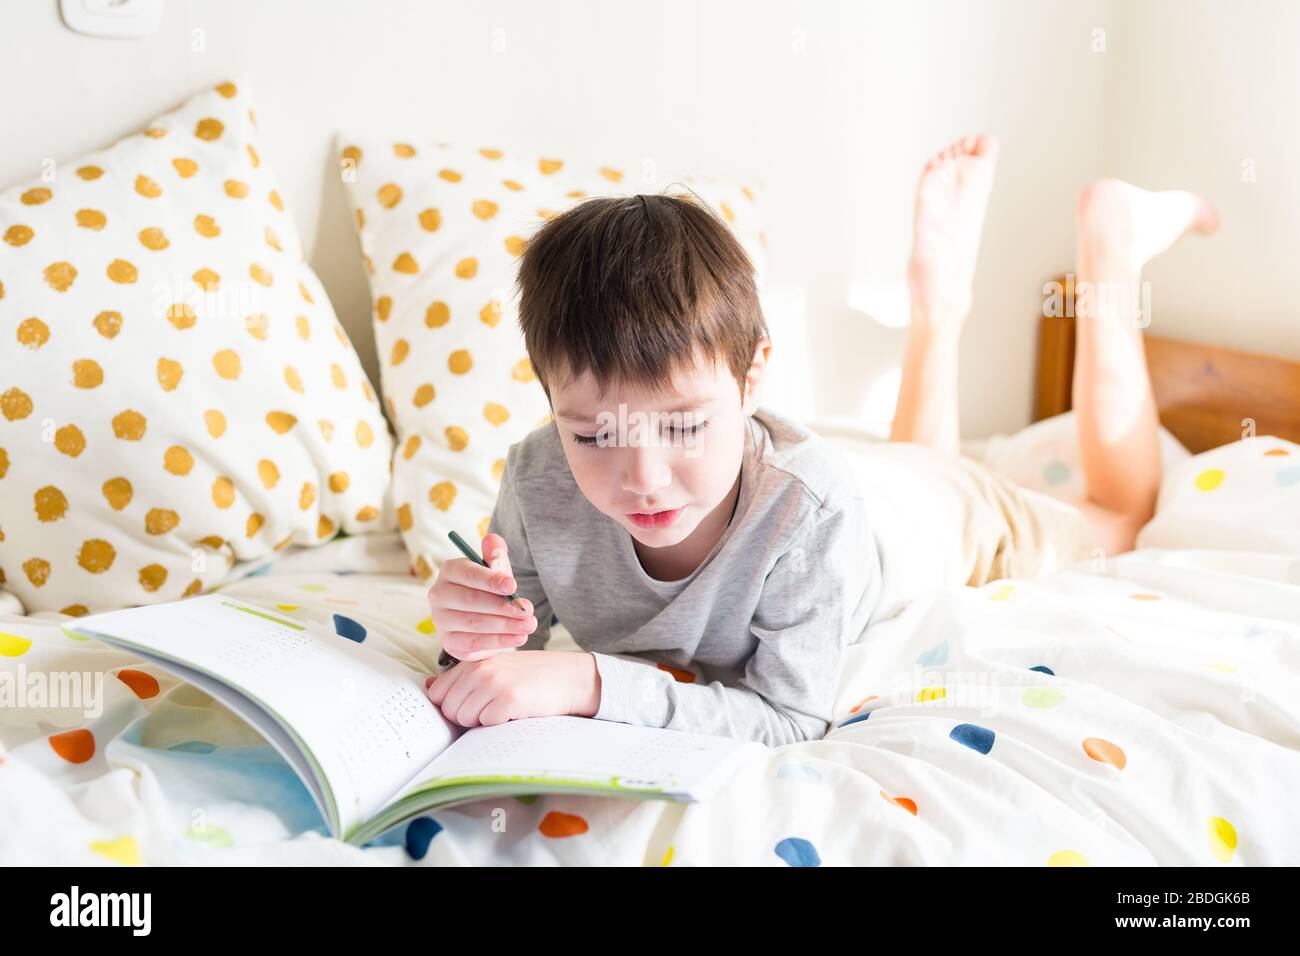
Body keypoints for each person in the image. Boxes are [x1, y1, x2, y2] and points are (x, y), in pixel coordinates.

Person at [423, 136, 1218, 746]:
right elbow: (504, 647)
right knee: (916, 462)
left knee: (1119, 514)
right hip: (855, 478)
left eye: (684, 425)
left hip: (929, 519)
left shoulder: (810, 512)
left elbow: (790, 719)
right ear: (547, 399)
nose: (645, 476)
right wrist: (467, 635)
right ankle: (937, 313)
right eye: (596, 433)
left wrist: (591, 682)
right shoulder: (537, 478)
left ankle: (1109, 250)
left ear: (752, 376)